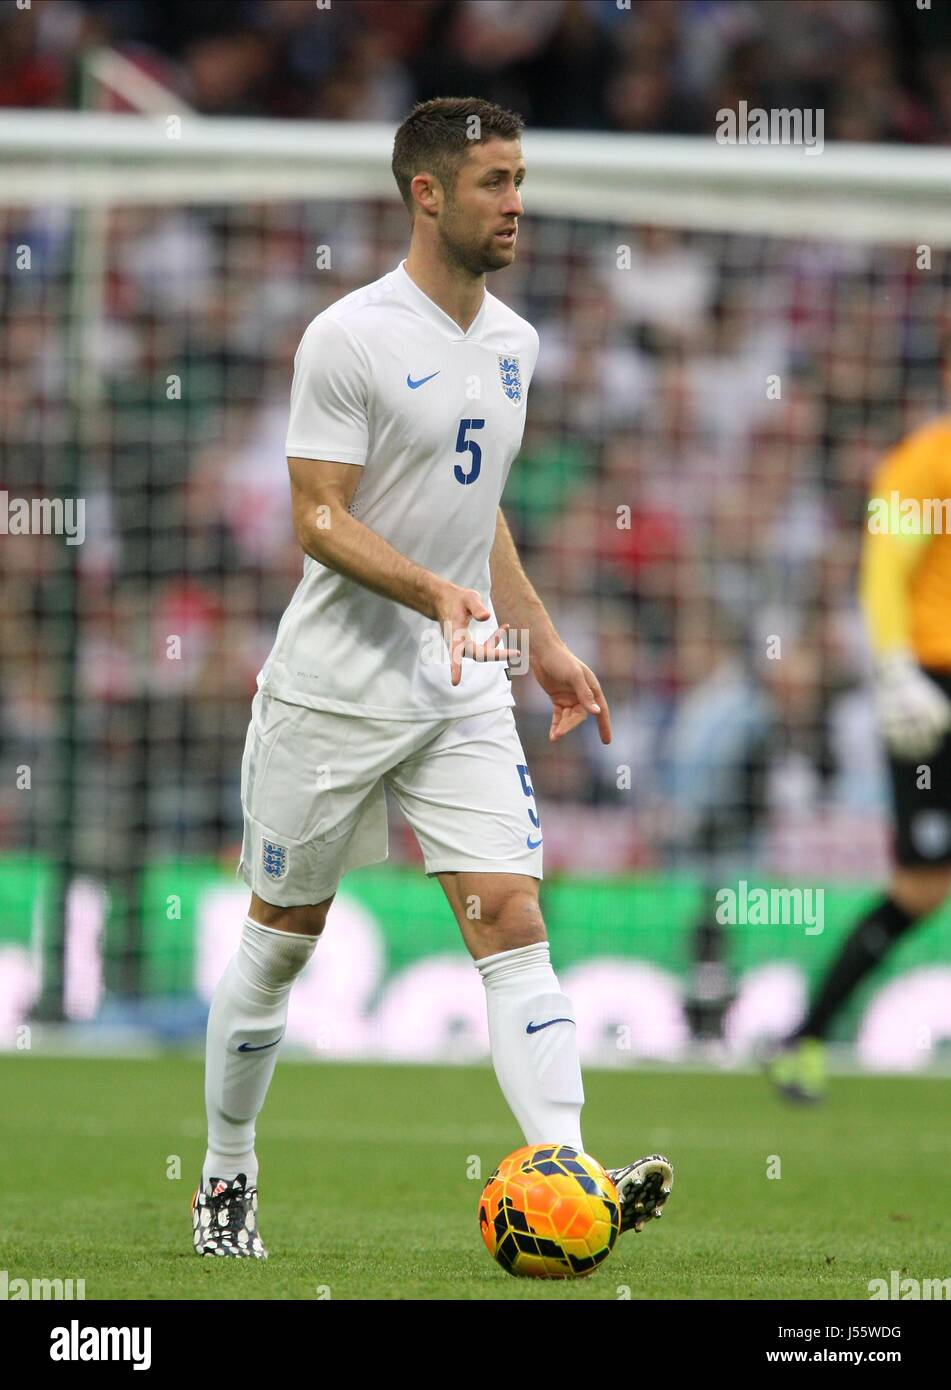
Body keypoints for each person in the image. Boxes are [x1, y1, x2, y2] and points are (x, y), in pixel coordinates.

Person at [192, 97, 673, 1257]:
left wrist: (540, 634)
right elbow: (319, 518)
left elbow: (478, 503)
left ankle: (572, 1169)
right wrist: (433, 592)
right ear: (427, 193)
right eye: (496, 181)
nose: (518, 203)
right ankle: (224, 1177)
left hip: (459, 682)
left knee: (511, 917)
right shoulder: (349, 336)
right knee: (283, 936)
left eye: (521, 178)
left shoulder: (515, 342)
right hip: (333, 690)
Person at [768, 343, 951, 1102]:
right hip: (930, 691)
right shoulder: (924, 462)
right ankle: (804, 1039)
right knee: (920, 885)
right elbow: (884, 569)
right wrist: (892, 668)